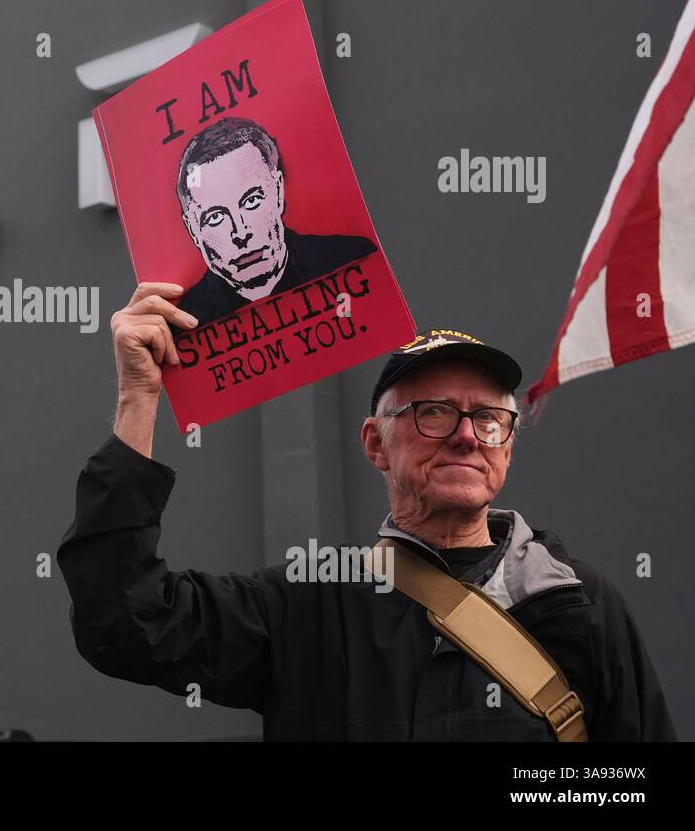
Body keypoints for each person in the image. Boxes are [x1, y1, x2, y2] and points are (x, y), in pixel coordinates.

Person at [56, 287, 677, 740]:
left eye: (489, 419)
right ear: (376, 444)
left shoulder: (579, 603)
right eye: (434, 413)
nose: (466, 436)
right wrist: (139, 397)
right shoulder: (306, 603)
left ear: (506, 447)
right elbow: (125, 623)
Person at [174, 117, 376, 327]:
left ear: (278, 193)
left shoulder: (352, 260)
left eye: (251, 201)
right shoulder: (182, 324)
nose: (241, 233)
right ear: (193, 230)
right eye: (215, 217)